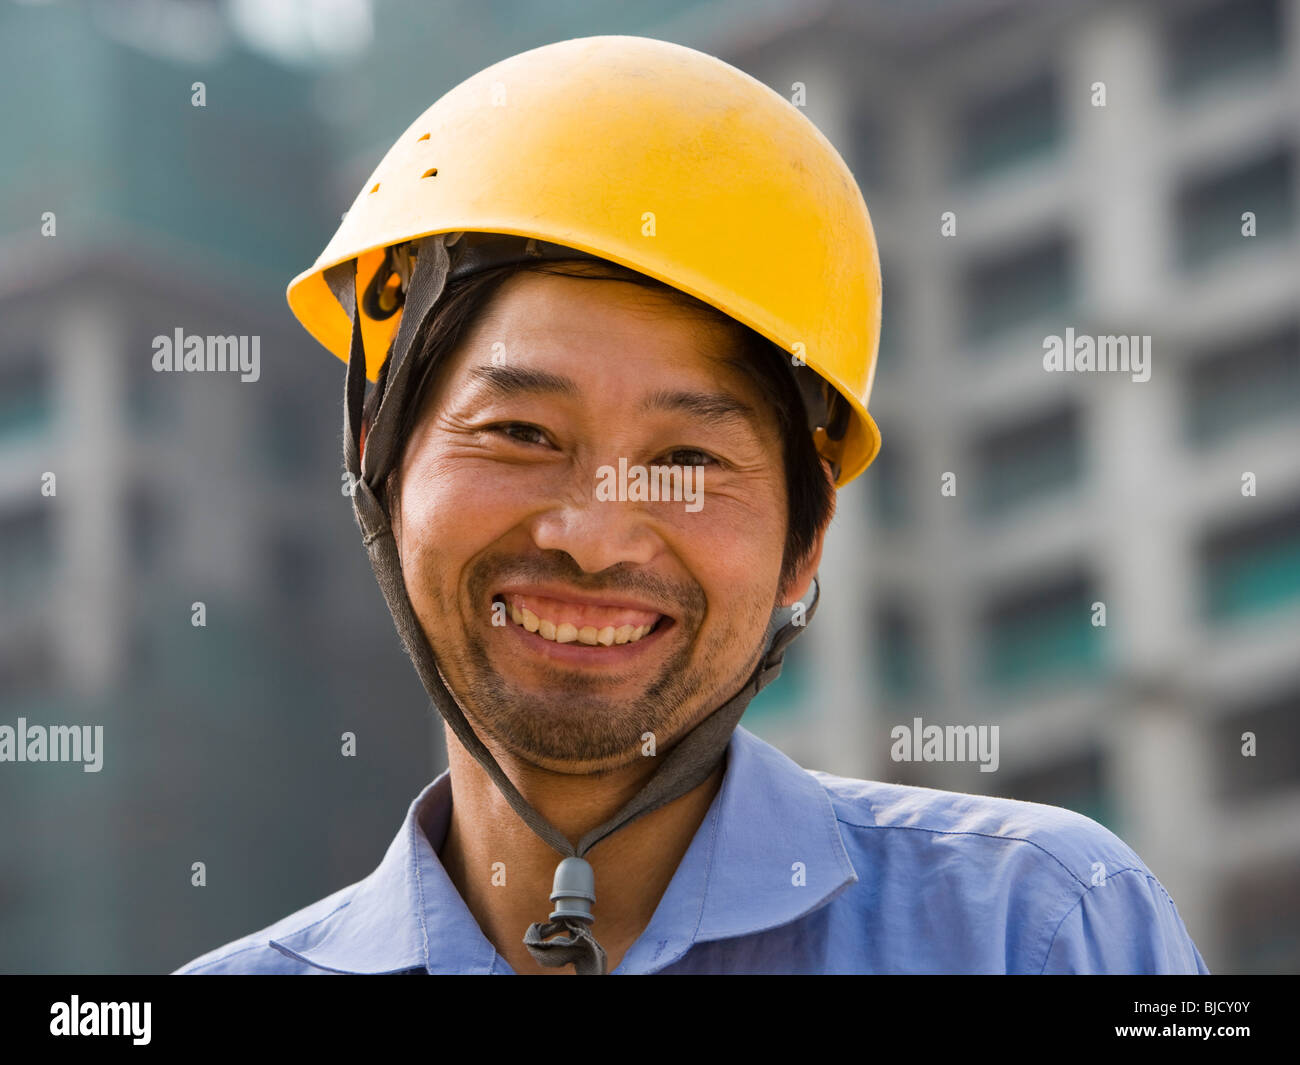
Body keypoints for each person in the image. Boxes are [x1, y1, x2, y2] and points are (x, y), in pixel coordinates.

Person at [175, 36, 1208, 975]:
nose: (592, 535)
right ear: (377, 458)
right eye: (521, 434)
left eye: (687, 458)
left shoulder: (1035, 929)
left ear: (805, 545)